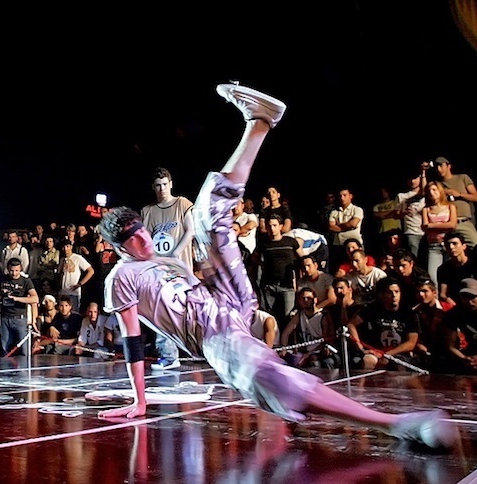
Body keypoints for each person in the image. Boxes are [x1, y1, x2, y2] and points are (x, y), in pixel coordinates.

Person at [96, 83, 455, 450]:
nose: (143, 241)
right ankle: (396, 424)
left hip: (228, 300)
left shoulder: (159, 256)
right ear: (118, 247)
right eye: (132, 239)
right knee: (266, 377)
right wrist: (139, 400)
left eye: (142, 231)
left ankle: (259, 121)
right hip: (212, 335)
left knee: (206, 213)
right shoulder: (121, 277)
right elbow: (133, 341)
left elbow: (195, 266)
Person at [141, 166, 195, 372]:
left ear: (171, 184)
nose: (162, 188)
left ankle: (200, 350)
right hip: (159, 272)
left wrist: (175, 253)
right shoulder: (148, 211)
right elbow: (145, 240)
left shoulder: (182, 204)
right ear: (153, 188)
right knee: (161, 312)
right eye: (158, 185)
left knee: (186, 313)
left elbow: (191, 230)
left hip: (180, 269)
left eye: (165, 184)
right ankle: (169, 355)